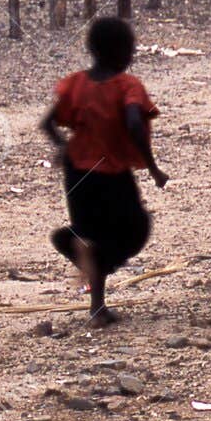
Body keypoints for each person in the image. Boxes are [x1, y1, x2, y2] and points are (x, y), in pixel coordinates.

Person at [40, 17, 169, 326]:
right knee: (136, 227)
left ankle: (97, 308)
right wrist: (153, 167)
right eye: (130, 49)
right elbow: (135, 123)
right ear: (122, 51)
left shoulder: (76, 84)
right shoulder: (127, 86)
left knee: (90, 235)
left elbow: (48, 123)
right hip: (112, 174)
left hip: (77, 174)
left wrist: (63, 147)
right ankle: (87, 256)